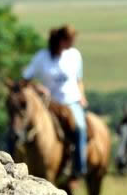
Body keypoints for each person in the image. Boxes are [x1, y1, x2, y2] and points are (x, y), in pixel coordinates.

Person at [23, 24, 88, 182]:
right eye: (70, 40)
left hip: (70, 101)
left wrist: (82, 96)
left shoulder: (74, 55)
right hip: (49, 103)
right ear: (61, 41)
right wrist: (38, 87)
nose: (72, 44)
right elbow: (25, 79)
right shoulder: (42, 57)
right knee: (23, 126)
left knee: (80, 127)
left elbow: (79, 80)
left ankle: (78, 168)